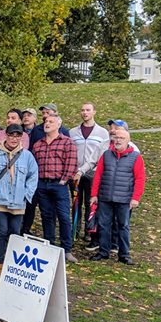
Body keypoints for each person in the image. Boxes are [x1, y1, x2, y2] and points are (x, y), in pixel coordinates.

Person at [0, 123, 39, 277]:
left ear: (21, 137)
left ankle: (13, 263)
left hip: (18, 202)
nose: (14, 138)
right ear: (6, 135)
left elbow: (33, 176)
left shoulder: (27, 156)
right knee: (2, 231)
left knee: (15, 232)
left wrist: (27, 194)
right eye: (11, 135)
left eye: (17, 135)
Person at [90, 128, 145, 265]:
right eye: (116, 137)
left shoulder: (136, 157)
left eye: (122, 138)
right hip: (105, 197)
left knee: (123, 226)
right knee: (103, 225)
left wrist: (136, 197)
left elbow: (140, 179)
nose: (118, 140)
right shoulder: (106, 155)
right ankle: (103, 252)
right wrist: (94, 194)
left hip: (124, 198)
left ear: (128, 141)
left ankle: (124, 254)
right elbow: (98, 176)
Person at [32, 115, 78, 263]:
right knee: (47, 216)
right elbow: (33, 165)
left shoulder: (67, 142)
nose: (47, 124)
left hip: (59, 184)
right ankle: (49, 246)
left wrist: (64, 180)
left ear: (59, 124)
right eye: (46, 122)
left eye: (51, 122)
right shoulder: (38, 144)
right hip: (42, 184)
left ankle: (66, 249)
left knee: (64, 217)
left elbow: (71, 163)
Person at [70, 103, 110, 250]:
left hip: (93, 173)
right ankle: (75, 230)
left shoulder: (102, 132)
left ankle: (89, 230)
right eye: (82, 110)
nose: (85, 112)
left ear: (94, 112)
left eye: (88, 110)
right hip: (76, 173)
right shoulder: (73, 132)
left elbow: (105, 153)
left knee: (90, 203)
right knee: (76, 203)